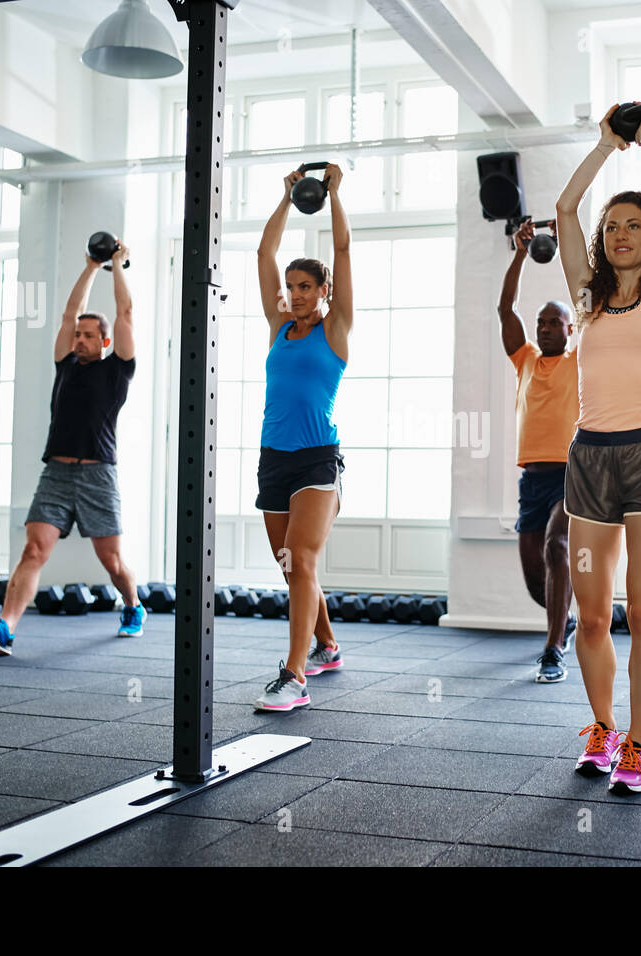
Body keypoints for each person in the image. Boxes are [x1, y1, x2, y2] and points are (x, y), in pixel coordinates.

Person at [555, 104, 641, 794]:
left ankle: (640, 744)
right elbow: (563, 206)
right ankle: (604, 728)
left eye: (631, 225)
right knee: (592, 612)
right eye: (611, 227)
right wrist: (605, 145)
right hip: (589, 461)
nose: (617, 234)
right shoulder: (586, 300)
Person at [0, 241, 143, 655]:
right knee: (33, 549)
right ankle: (7, 627)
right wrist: (91, 266)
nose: (79, 339)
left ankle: (133, 605)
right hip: (57, 473)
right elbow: (68, 312)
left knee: (112, 562)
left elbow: (125, 314)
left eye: (87, 335)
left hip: (99, 472)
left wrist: (116, 266)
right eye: (77, 335)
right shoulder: (65, 364)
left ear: (104, 341)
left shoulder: (118, 370)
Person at [252, 163, 352, 712]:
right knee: (291, 567)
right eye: (289, 287)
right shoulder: (279, 325)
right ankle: (327, 644)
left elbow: (342, 249)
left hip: (317, 459)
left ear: (323, 291)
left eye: (304, 286)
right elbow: (264, 254)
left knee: (303, 561)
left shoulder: (337, 329)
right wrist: (287, 196)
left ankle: (294, 675)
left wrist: (334, 194)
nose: (292, 293)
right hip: (273, 457)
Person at [498, 218, 579, 683]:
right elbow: (505, 307)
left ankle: (553, 648)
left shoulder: (578, 360)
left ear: (569, 328)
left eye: (555, 323)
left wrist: (568, 241)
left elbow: (591, 304)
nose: (546, 328)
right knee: (536, 581)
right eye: (542, 323)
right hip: (533, 477)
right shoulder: (525, 359)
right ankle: (560, 621)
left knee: (557, 543)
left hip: (572, 475)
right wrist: (519, 254)